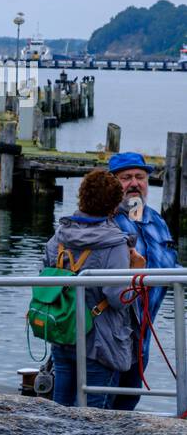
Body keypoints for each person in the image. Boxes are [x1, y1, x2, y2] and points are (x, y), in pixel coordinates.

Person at [44, 169, 135, 408]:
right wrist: (137, 278)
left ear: (81, 196)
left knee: (60, 408)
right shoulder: (114, 244)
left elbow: (46, 281)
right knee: (94, 417)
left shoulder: (59, 236)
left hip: (63, 334)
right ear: (114, 206)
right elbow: (117, 298)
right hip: (100, 341)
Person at [107, 152, 180, 409]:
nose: (134, 183)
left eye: (140, 177)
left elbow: (169, 264)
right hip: (111, 332)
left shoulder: (156, 221)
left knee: (129, 399)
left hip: (144, 333)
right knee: (103, 400)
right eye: (126, 178)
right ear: (112, 182)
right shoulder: (105, 220)